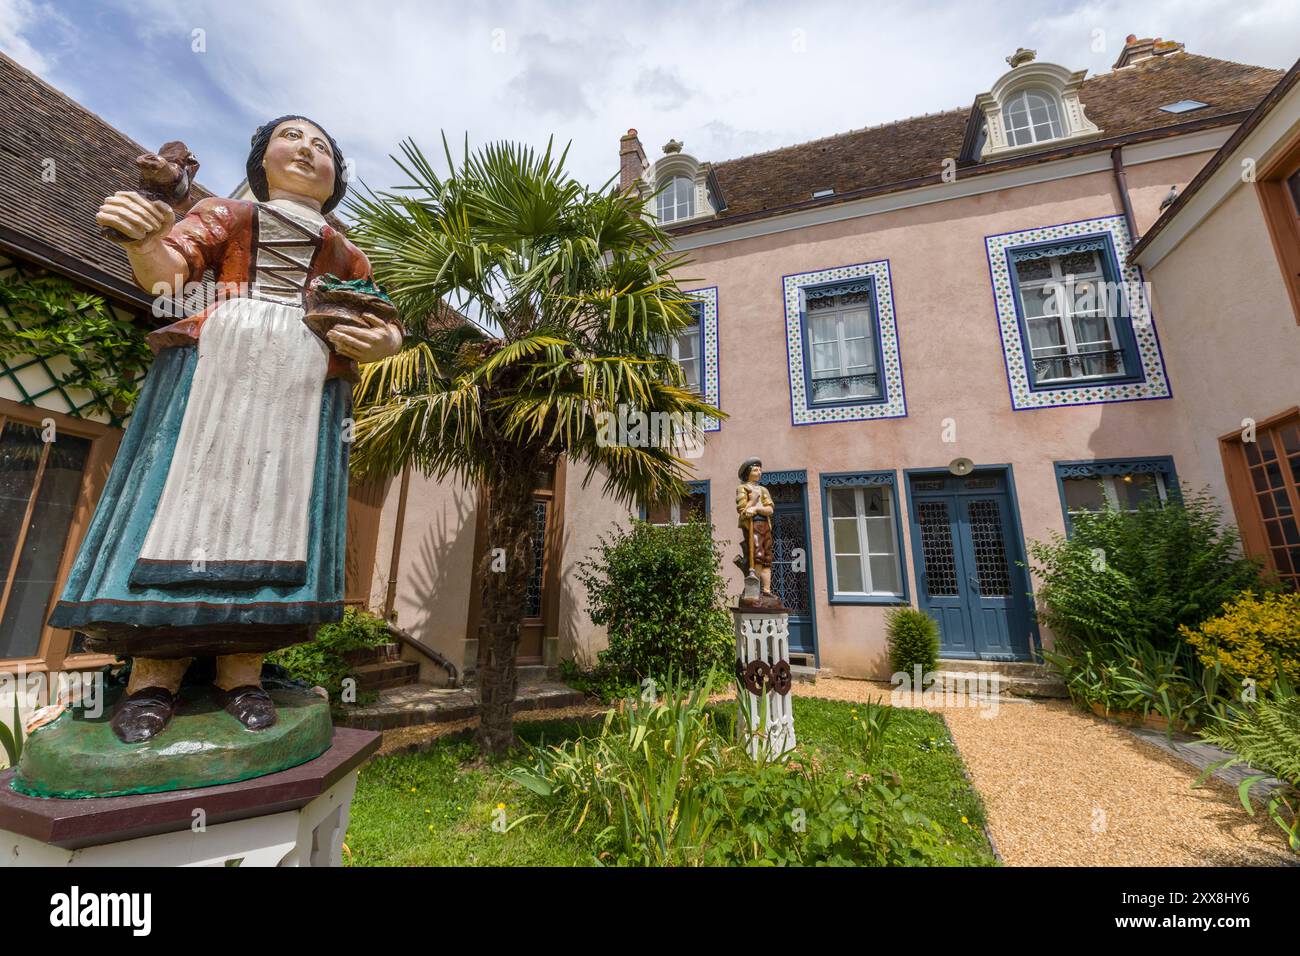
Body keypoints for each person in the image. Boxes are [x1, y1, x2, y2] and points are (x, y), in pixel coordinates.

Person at [49, 116, 403, 743]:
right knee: (185, 503)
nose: (307, 150)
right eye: (291, 139)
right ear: (261, 160)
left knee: (277, 515)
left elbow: (381, 319)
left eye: (322, 148)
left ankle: (243, 671)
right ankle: (153, 677)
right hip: (218, 371)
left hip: (300, 391)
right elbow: (167, 277)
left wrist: (379, 340)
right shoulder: (226, 216)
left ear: (335, 179)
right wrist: (144, 242)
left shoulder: (345, 252)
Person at [734, 457, 780, 608]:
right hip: (752, 526)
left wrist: (758, 509)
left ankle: (766, 590)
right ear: (748, 473)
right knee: (757, 557)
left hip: (764, 525)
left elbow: (770, 509)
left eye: (760, 469)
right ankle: (754, 591)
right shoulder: (743, 489)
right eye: (755, 469)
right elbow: (743, 512)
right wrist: (752, 501)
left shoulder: (763, 490)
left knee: (767, 557)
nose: (759, 472)